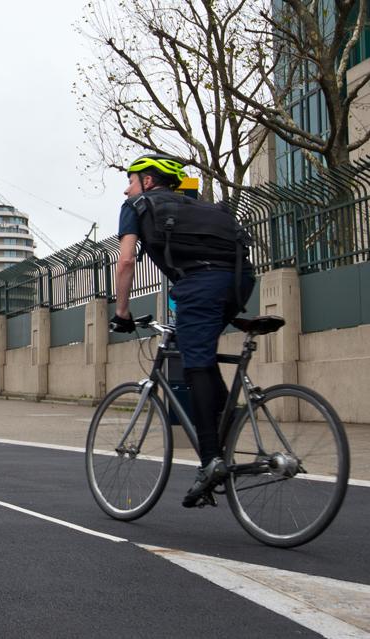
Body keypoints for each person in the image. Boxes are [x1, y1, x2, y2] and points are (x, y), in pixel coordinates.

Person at [111, 154, 254, 508]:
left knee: (195, 363)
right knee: (201, 353)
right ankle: (226, 420)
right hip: (241, 280)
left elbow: (127, 260)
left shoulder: (136, 205)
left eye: (131, 179)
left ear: (147, 181)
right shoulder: (195, 206)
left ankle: (210, 461)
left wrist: (122, 311)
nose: (126, 187)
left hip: (200, 286)